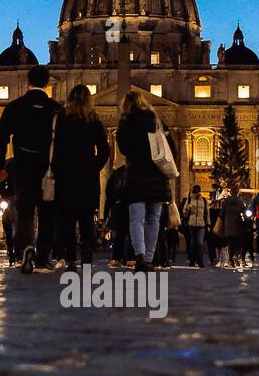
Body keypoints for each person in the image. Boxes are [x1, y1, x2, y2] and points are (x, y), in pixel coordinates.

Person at [0, 64, 59, 273]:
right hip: (49, 170)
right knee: (47, 213)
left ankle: (26, 249)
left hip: (22, 167)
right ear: (47, 83)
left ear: (28, 82)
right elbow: (64, 141)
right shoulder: (56, 108)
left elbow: (1, 138)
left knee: (25, 212)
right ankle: (42, 259)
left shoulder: (15, 106)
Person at [51, 85, 109, 270]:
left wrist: (57, 169)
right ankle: (86, 259)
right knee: (86, 221)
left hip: (65, 177)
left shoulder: (61, 119)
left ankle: (69, 259)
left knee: (66, 220)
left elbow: (53, 148)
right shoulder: (93, 121)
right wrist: (93, 167)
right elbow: (104, 151)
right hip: (87, 179)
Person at [115, 90, 170, 272]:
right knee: (153, 218)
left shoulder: (125, 123)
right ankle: (149, 258)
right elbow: (171, 149)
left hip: (136, 175)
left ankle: (139, 255)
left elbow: (122, 149)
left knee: (136, 219)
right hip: (157, 175)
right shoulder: (156, 121)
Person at [103, 163, 129, 268]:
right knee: (129, 234)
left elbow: (108, 191)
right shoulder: (121, 172)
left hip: (118, 206)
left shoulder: (117, 172)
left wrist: (110, 205)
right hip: (130, 204)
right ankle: (129, 259)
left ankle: (117, 258)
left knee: (119, 235)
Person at [219, 188, 247, 267]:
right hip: (238, 224)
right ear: (238, 192)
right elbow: (244, 212)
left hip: (228, 224)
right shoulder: (240, 201)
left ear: (230, 192)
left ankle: (231, 259)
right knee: (239, 241)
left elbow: (221, 214)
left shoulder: (226, 201)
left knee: (230, 242)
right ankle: (236, 254)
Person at [182, 185, 209, 267]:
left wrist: (208, 223)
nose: (195, 194)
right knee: (193, 243)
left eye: (196, 193)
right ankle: (192, 261)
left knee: (200, 243)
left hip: (201, 224)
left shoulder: (204, 200)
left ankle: (200, 261)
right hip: (192, 224)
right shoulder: (189, 200)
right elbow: (184, 213)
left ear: (199, 192)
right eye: (194, 193)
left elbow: (207, 213)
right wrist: (187, 209)